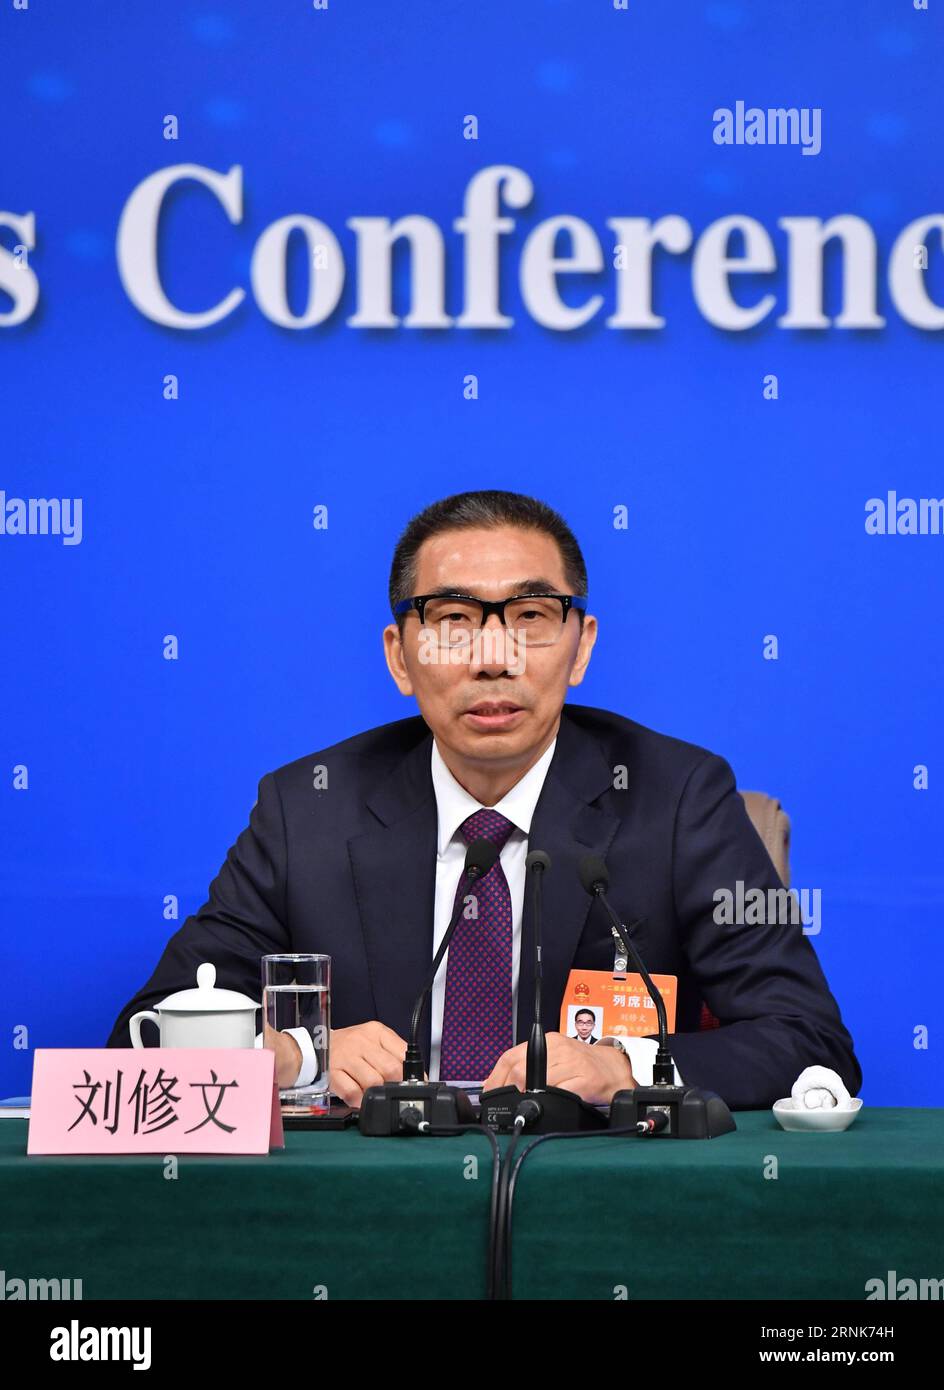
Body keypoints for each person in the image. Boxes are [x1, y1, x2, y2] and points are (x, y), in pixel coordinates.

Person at [107, 490, 862, 1110]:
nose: (494, 659)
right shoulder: (306, 810)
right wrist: (293, 1053)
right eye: (454, 621)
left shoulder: (677, 799)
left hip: (593, 1204)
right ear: (400, 656)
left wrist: (628, 1067)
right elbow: (142, 1035)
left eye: (531, 618)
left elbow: (809, 1038)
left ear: (583, 645)